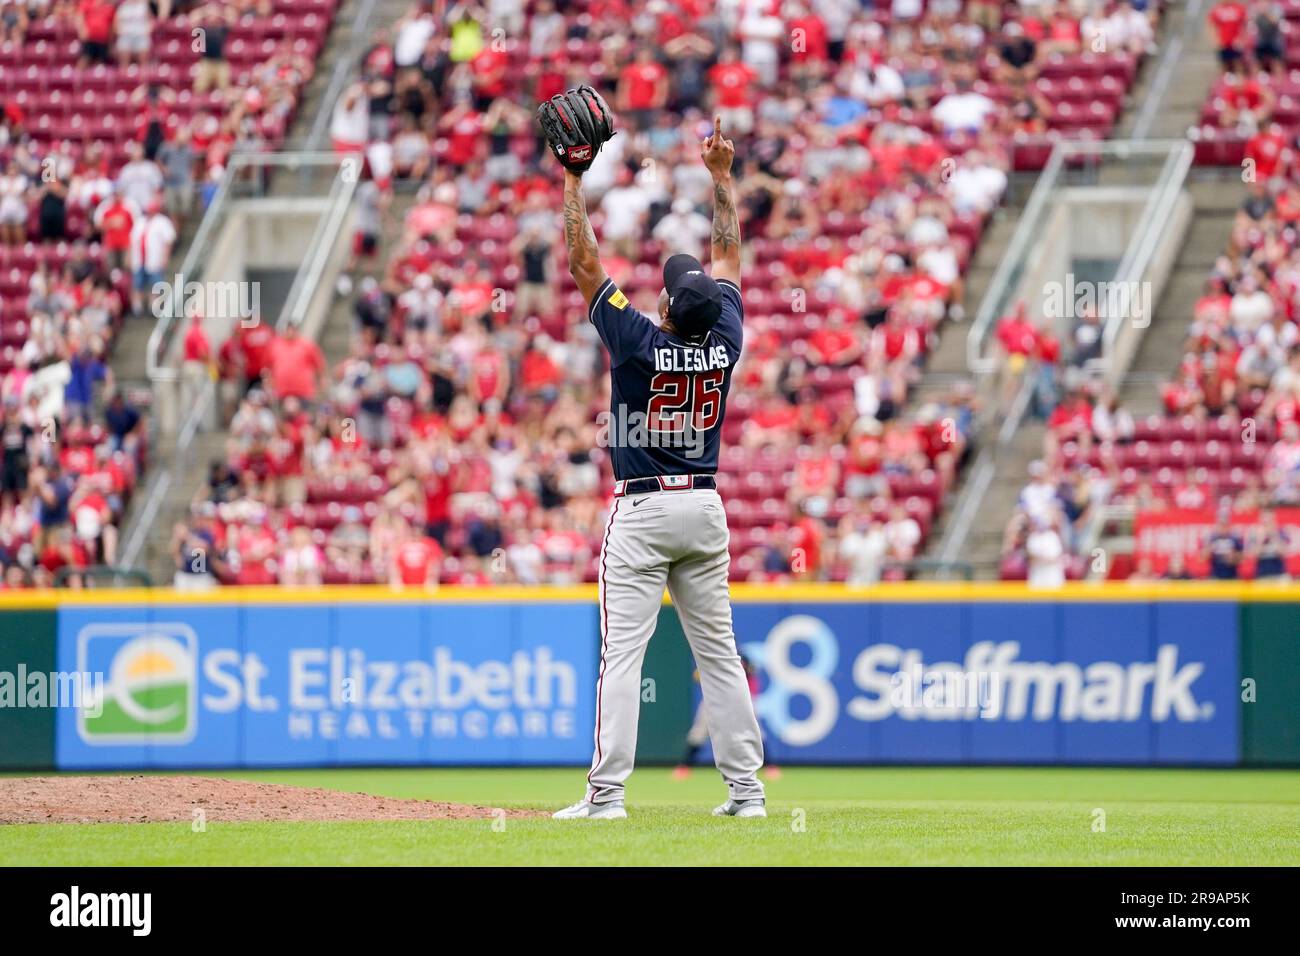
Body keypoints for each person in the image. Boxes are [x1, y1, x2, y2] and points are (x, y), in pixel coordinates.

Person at [552, 118, 767, 822]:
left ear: (670, 306)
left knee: (623, 659)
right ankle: (748, 794)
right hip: (705, 508)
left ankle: (607, 798)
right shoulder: (725, 339)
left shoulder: (639, 340)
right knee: (721, 654)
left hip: (644, 510)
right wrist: (724, 181)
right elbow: (729, 258)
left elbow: (584, 262)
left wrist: (574, 178)